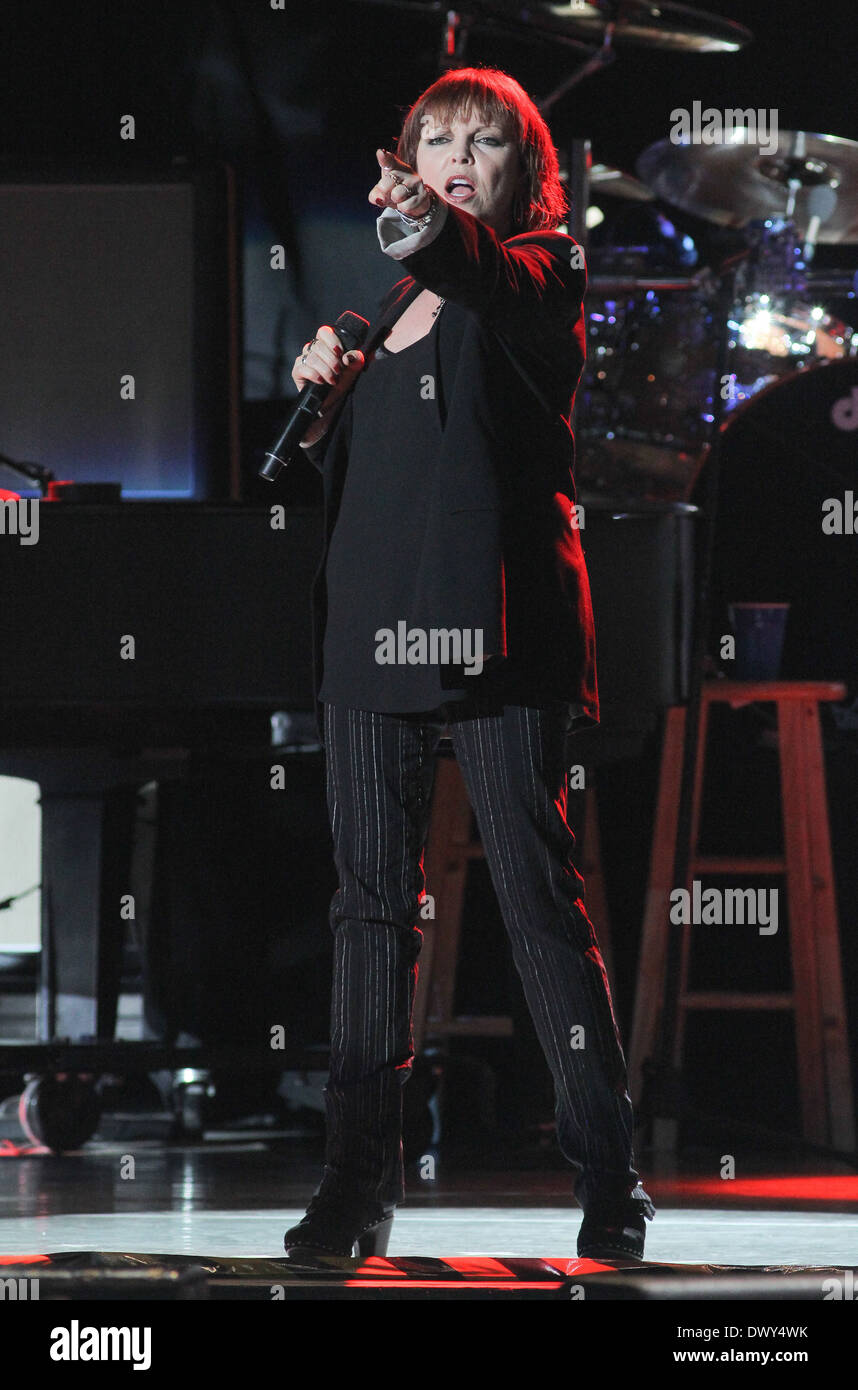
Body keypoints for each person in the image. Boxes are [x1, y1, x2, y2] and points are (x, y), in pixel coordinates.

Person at [282, 66, 655, 1264]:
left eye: (480, 141)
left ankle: (610, 1177)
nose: (453, 154)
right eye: (432, 137)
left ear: (522, 170)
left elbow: (479, 269)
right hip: (373, 629)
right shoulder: (382, 311)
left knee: (539, 900)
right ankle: (353, 1189)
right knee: (369, 911)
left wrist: (427, 234)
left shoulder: (545, 272)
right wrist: (331, 362)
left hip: (499, 630)